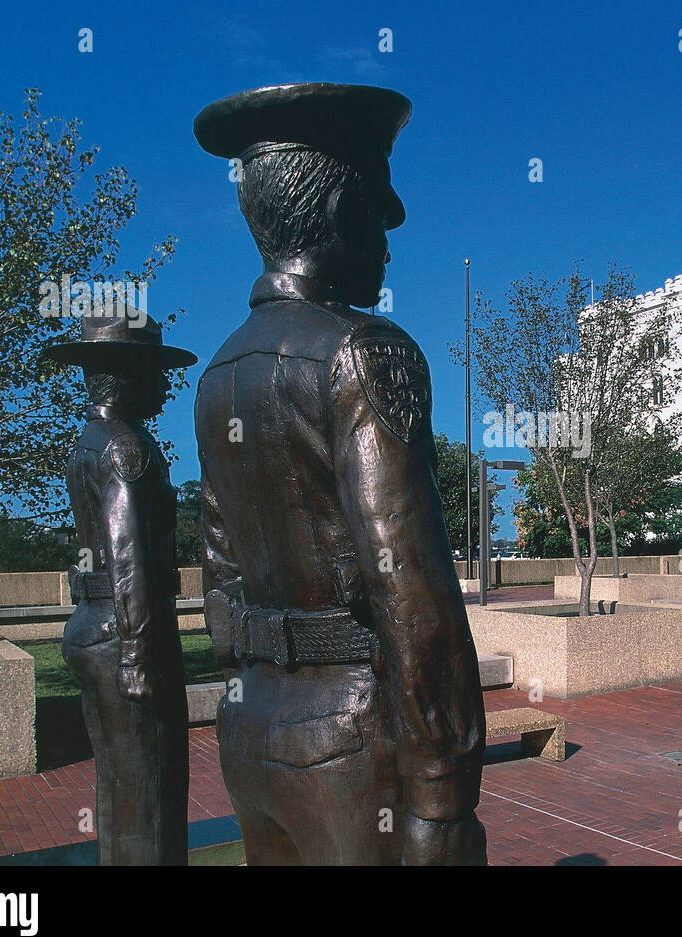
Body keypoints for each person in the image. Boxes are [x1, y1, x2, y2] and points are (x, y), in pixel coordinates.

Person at [193, 83, 486, 865]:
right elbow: (410, 592)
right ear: (336, 217)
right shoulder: (366, 351)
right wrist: (443, 794)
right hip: (348, 742)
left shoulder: (217, 374)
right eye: (376, 215)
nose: (390, 242)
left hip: (251, 729)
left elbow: (219, 576)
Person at [43, 308, 196, 865]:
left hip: (92, 624)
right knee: (148, 787)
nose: (164, 388)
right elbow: (127, 553)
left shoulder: (88, 439)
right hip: (125, 632)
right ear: (128, 374)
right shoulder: (125, 447)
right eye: (156, 374)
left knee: (118, 784)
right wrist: (137, 653)